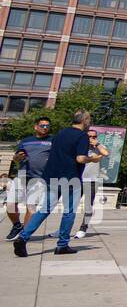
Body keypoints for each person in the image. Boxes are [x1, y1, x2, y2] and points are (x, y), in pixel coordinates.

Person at [13, 110, 101, 257]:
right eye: (89, 119)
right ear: (84, 120)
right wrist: (93, 159)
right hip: (70, 178)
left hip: (52, 176)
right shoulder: (81, 136)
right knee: (69, 212)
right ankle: (62, 245)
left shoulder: (60, 133)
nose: (89, 122)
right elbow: (80, 158)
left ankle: (23, 237)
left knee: (44, 209)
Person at [6, 116, 53, 241]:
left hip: (39, 179)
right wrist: (17, 157)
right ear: (35, 127)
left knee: (31, 207)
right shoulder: (26, 141)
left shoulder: (52, 141)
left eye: (47, 126)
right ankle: (17, 226)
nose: (45, 128)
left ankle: (23, 236)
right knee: (10, 204)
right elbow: (16, 158)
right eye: (42, 125)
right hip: (21, 176)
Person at [74, 128, 110, 239]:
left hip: (92, 181)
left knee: (88, 206)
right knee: (71, 205)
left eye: (94, 136)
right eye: (90, 136)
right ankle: (63, 228)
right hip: (77, 179)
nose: (92, 138)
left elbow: (106, 153)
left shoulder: (99, 147)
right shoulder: (80, 146)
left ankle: (83, 228)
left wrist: (97, 144)